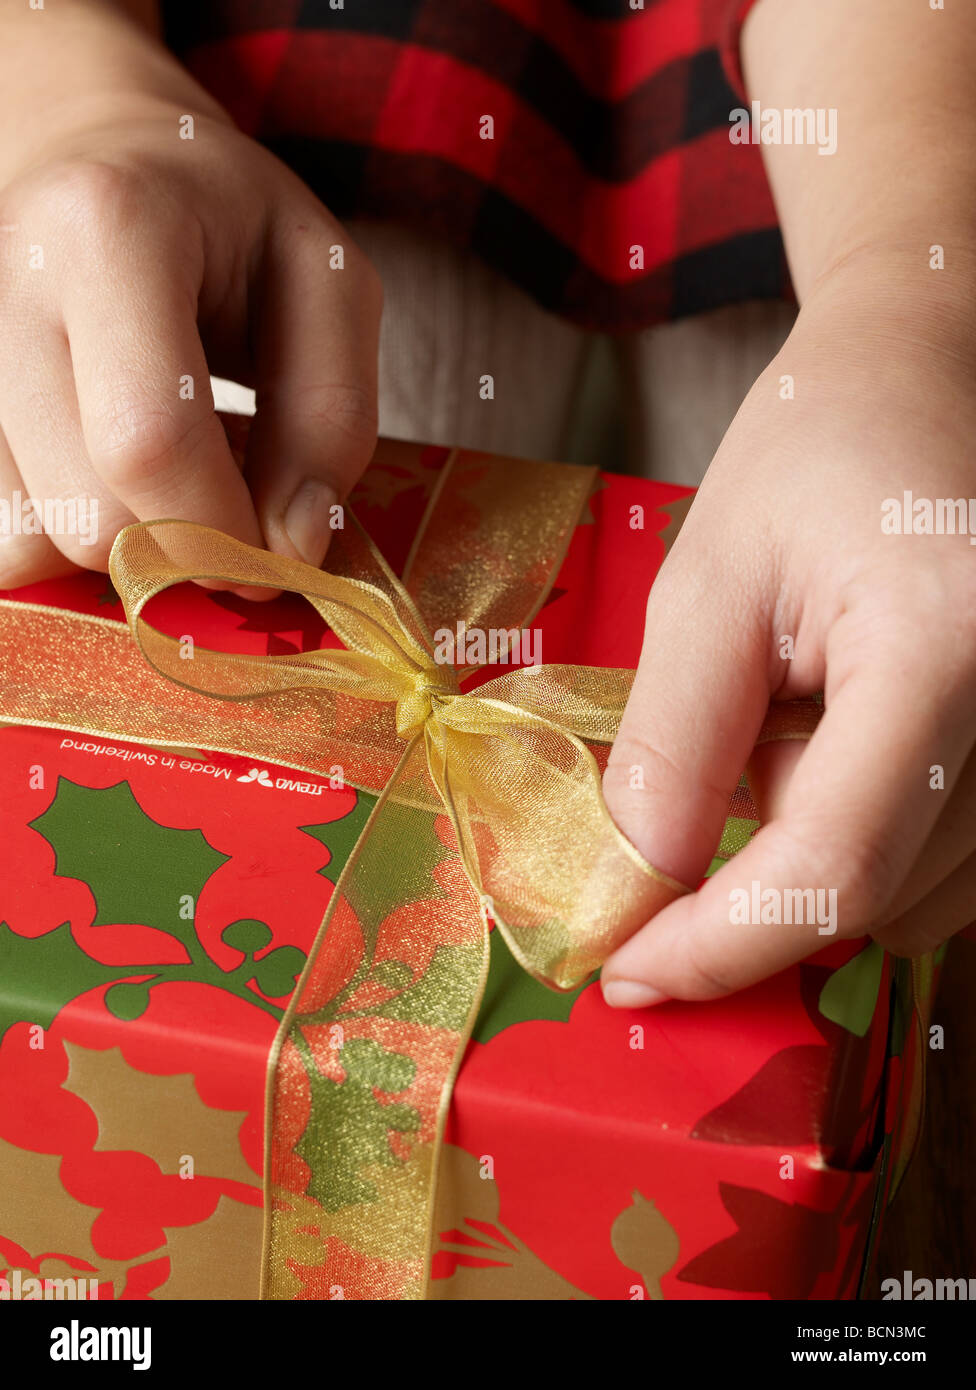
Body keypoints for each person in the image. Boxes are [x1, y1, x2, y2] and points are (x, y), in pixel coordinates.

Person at [0, 0, 973, 1008]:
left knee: (854, 694)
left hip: (870, 92)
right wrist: (70, 84)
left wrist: (914, 310)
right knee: (258, 388)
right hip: (298, 83)